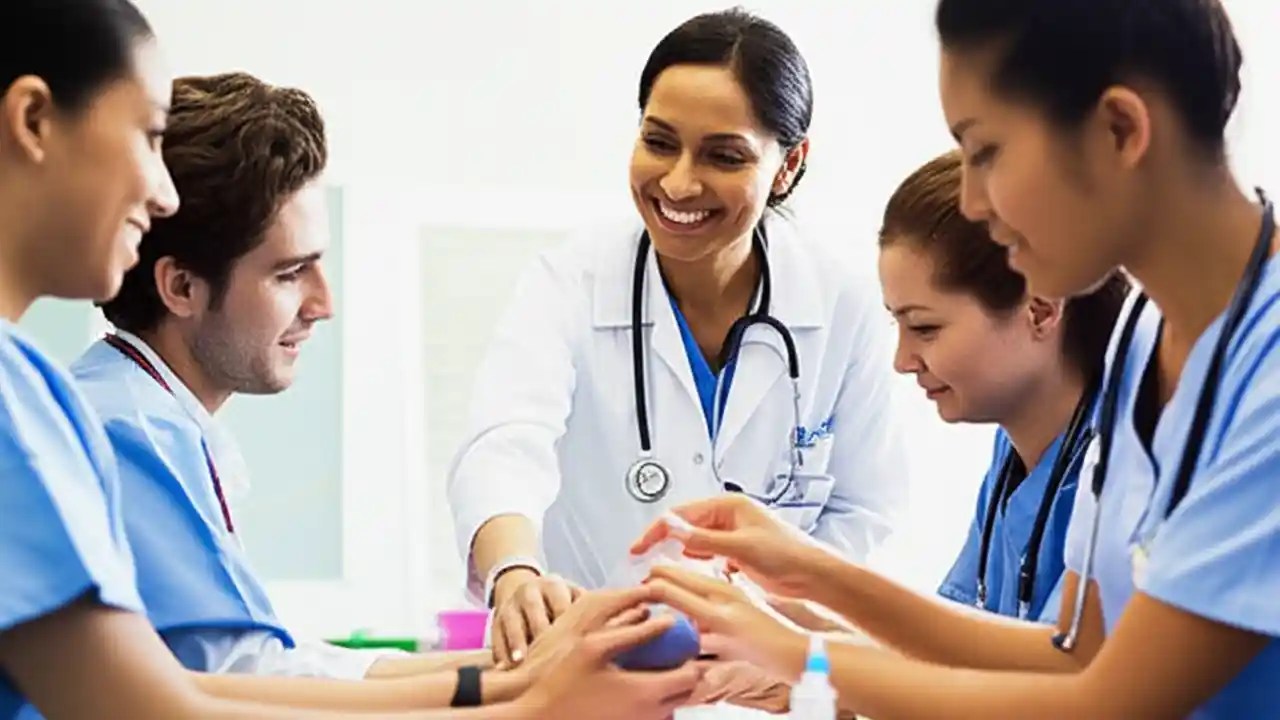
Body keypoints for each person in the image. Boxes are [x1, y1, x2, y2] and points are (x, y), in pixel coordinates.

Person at [632, 0, 1280, 717]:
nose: (973, 201)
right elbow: (1076, 651)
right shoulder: (1141, 339)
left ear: (1119, 129)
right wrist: (807, 571)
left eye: (985, 152)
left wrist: (794, 654)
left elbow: (1110, 703)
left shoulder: (1269, 368)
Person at [63, 70, 701, 717]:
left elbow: (271, 667)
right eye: (289, 273)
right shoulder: (128, 433)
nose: (323, 304)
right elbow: (234, 679)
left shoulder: (143, 413)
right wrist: (522, 690)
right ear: (180, 288)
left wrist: (533, 661)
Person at [446, 7, 906, 671]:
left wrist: (758, 608)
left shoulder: (842, 305)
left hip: (768, 677)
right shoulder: (571, 281)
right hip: (589, 673)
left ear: (788, 164)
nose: (680, 182)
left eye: (724, 156)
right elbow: (504, 443)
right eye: (659, 142)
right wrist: (514, 572)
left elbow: (867, 511)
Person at [880, 151, 1127, 622]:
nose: (902, 361)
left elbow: (1067, 667)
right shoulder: (1014, 455)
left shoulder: (1121, 460)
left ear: (1040, 309)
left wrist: (814, 577)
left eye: (925, 328)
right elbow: (948, 638)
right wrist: (800, 643)